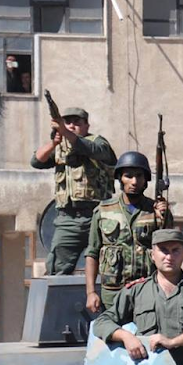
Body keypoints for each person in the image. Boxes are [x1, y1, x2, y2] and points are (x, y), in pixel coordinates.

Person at [93, 230, 183, 365]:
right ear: (152, 255)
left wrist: (173, 342)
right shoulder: (136, 291)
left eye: (175, 251)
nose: (169, 257)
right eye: (163, 251)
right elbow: (102, 322)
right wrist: (126, 337)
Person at [30, 104, 115, 275]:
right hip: (68, 218)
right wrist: (54, 142)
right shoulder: (60, 148)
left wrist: (65, 132)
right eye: (67, 123)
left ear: (86, 126)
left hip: (98, 216)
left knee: (109, 268)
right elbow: (36, 161)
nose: (71, 126)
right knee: (57, 268)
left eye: (77, 122)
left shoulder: (97, 142)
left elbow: (94, 150)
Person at [84, 151, 170, 314]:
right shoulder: (103, 211)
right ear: (120, 179)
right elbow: (92, 253)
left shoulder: (156, 211)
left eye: (139, 176)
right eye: (128, 176)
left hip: (148, 290)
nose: (134, 181)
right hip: (112, 293)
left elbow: (169, 250)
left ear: (146, 180)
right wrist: (90, 292)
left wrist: (165, 218)